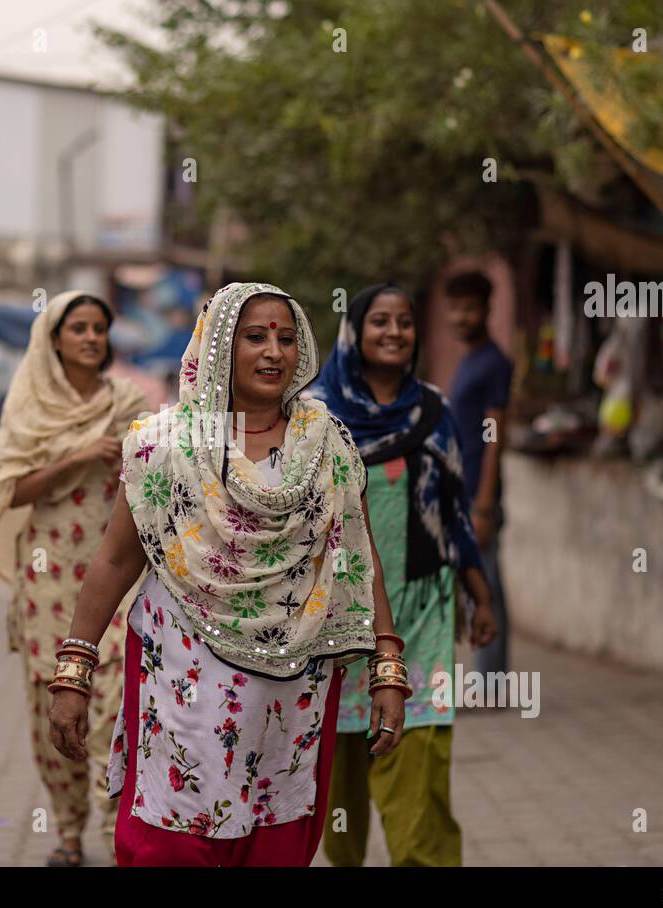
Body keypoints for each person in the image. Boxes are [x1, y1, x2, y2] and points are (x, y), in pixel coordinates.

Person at [48, 281, 411, 868]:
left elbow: (355, 557)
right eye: (255, 337)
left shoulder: (329, 446)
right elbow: (116, 558)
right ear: (218, 345)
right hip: (184, 673)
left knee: (274, 840)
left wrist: (387, 668)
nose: (274, 352)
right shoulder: (165, 444)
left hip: (296, 684)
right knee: (169, 843)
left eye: (287, 338)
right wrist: (75, 669)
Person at [311, 282, 497, 867]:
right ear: (354, 333)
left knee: (419, 773)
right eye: (380, 322)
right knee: (334, 783)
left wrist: (479, 592)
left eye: (406, 322)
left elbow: (455, 510)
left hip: (421, 610)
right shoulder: (316, 414)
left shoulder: (435, 411)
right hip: (335, 621)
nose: (395, 332)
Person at [0, 291, 146, 867]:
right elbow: (6, 492)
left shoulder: (128, 400)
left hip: (113, 572)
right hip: (47, 580)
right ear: (54, 340)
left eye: (100, 328)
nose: (92, 338)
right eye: (79, 329)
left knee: (117, 699)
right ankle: (68, 831)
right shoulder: (30, 405)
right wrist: (76, 457)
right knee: (56, 700)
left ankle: (113, 824)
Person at [445, 271, 512, 682]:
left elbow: (494, 434)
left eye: (468, 308)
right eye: (454, 308)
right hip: (463, 493)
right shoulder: (470, 361)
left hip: (478, 496)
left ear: (487, 310)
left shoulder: (494, 364)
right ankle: (486, 677)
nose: (459, 317)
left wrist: (484, 503)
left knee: (485, 585)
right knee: (476, 583)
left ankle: (492, 681)